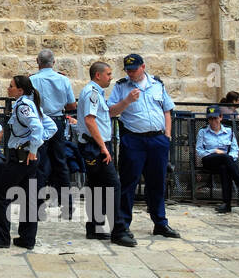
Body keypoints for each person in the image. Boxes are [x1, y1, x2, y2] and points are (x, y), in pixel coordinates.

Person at [107, 53, 180, 239]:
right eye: (128, 70)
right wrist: (127, 101)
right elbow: (110, 112)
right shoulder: (121, 87)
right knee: (128, 183)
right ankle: (122, 225)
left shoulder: (157, 84)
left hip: (157, 140)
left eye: (134, 69)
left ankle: (160, 222)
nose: (131, 73)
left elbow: (167, 110)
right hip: (134, 140)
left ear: (143, 67)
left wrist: (167, 136)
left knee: (157, 182)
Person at [76, 61, 133, 245]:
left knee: (97, 186)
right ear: (98, 75)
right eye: (108, 74)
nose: (110, 77)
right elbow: (90, 120)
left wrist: (126, 102)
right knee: (113, 185)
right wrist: (102, 147)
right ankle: (118, 230)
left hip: (96, 144)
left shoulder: (96, 93)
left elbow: (106, 114)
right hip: (95, 145)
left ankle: (95, 227)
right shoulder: (92, 93)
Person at [0, 74, 43, 249]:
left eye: (11, 86)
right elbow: (49, 126)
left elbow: (39, 127)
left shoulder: (23, 106)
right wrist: (34, 145)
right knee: (29, 198)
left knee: (1, 195)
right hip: (26, 158)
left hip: (20, 159)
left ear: (20, 90)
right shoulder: (29, 104)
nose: (8, 88)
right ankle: (27, 238)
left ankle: (1, 237)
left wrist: (32, 149)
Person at [30, 49, 78, 219]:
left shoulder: (32, 80)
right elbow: (72, 105)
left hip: (40, 121)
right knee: (60, 163)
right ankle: (68, 207)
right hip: (57, 122)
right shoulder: (63, 79)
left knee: (39, 164)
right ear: (54, 62)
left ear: (37, 61)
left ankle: (37, 208)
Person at [195, 106, 239, 214]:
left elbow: (235, 149)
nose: (213, 121)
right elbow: (199, 151)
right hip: (209, 160)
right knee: (225, 158)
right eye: (210, 119)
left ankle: (227, 204)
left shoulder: (229, 131)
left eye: (215, 118)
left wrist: (229, 158)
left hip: (225, 162)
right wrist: (214, 151)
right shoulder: (203, 132)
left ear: (220, 117)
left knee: (225, 167)